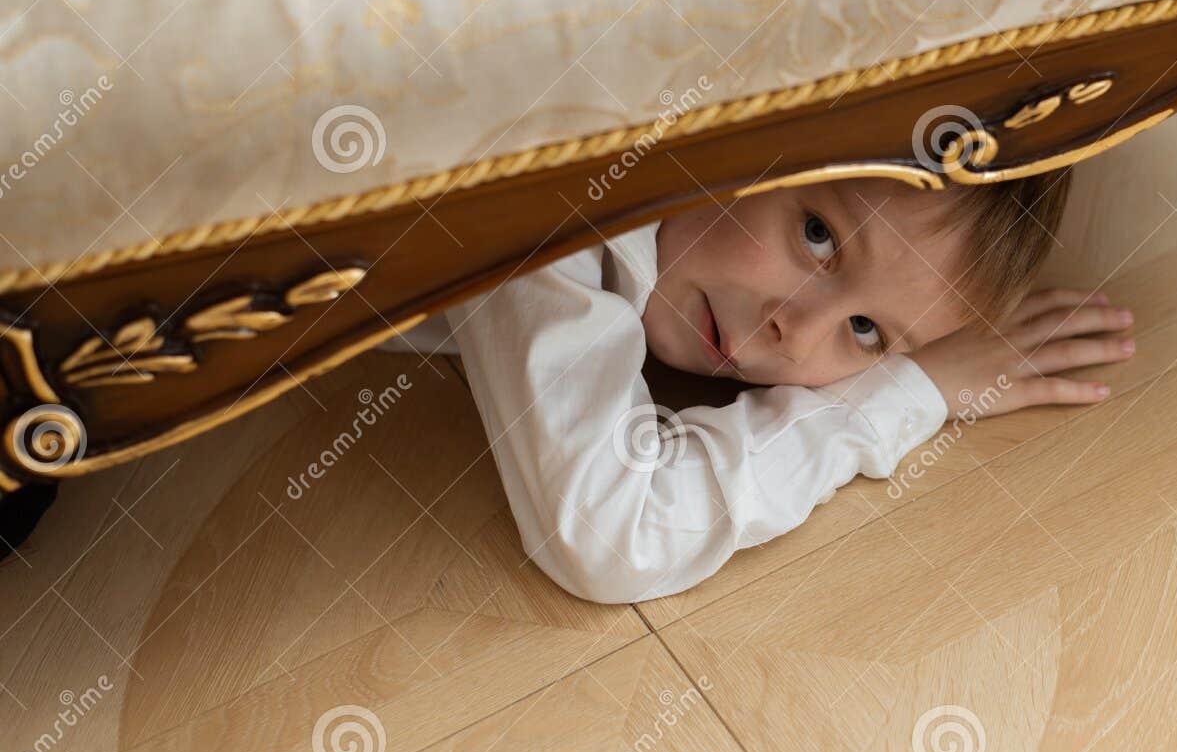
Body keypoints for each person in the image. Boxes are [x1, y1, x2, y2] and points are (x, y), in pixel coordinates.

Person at [391, 170, 1134, 603]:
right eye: (817, 236)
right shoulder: (564, 182)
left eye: (868, 331)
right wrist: (906, 392)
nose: (796, 331)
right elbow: (609, 530)